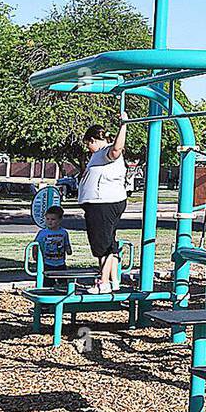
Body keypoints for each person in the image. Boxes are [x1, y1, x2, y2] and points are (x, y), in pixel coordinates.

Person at [78, 120, 129, 294]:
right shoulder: (98, 155)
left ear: (93, 140)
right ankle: (114, 281)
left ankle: (103, 282)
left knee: (103, 245)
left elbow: (116, 150)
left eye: (88, 144)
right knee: (108, 243)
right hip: (102, 203)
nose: (87, 148)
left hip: (104, 202)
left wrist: (124, 125)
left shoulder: (104, 152)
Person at [34, 205, 71, 279]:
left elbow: (66, 244)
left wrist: (68, 250)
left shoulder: (64, 232)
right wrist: (35, 256)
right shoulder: (42, 233)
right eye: (47, 219)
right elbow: (36, 245)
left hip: (61, 262)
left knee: (63, 282)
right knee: (48, 282)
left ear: (60, 220)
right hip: (47, 263)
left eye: (53, 219)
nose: (49, 221)